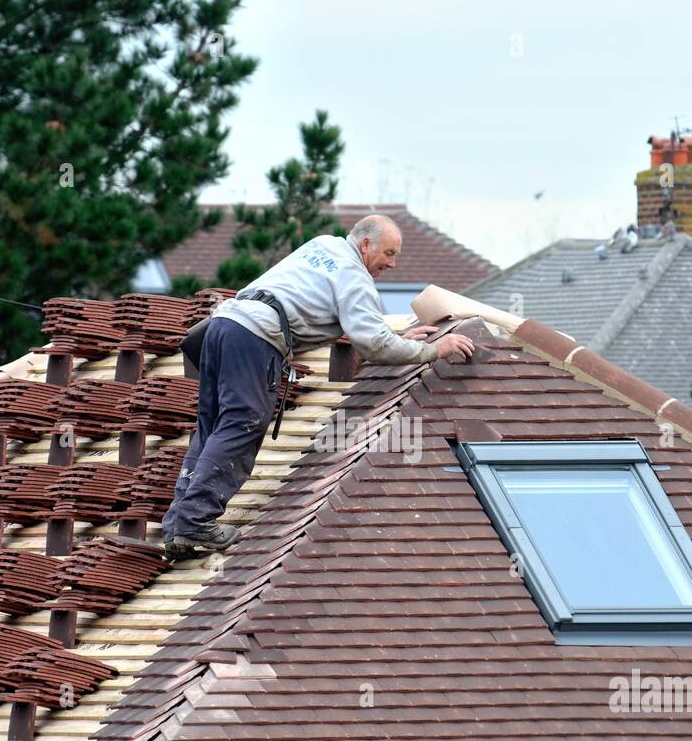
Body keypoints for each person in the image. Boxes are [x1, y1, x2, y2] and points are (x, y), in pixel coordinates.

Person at [161, 214, 475, 559]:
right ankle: (196, 520)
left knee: (212, 426)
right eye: (389, 253)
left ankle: (179, 526)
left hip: (221, 326)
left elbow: (319, 307)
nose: (392, 263)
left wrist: (393, 337)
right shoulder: (355, 278)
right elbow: (372, 343)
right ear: (366, 245)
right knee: (242, 422)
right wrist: (432, 350)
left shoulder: (323, 245)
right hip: (254, 337)